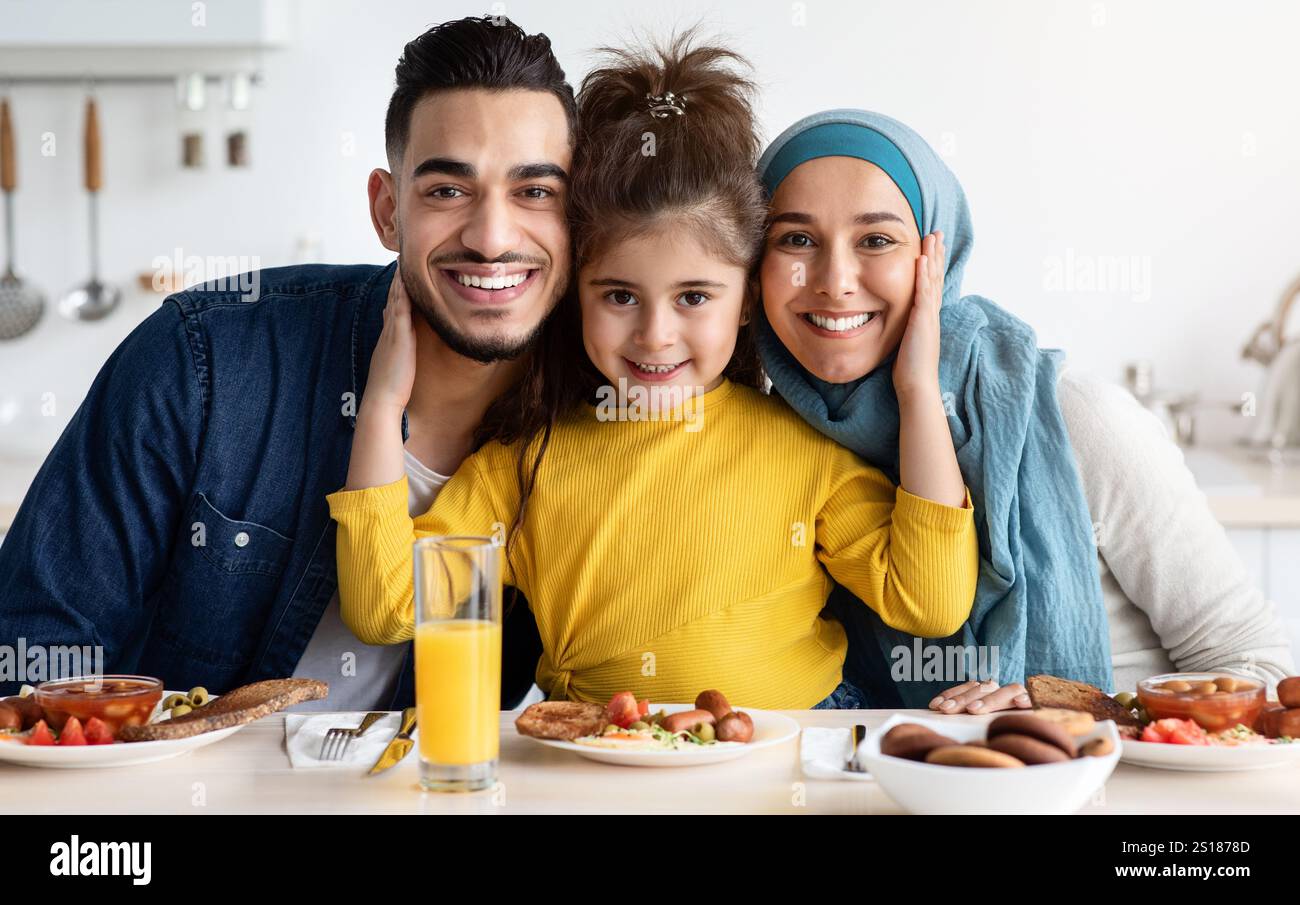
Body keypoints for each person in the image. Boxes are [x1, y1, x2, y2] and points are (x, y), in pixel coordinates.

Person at [327, 37, 979, 709]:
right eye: (618, 296)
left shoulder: (809, 456)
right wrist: (381, 405)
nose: (655, 334)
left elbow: (929, 601)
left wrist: (918, 388)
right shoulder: (519, 468)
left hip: (779, 764)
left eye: (694, 297)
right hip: (594, 764)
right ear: (573, 293)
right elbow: (384, 609)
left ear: (749, 297)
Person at [0, 16, 568, 711]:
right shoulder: (201, 360)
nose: (491, 237)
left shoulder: (596, 421)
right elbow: (30, 658)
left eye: (535, 192)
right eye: (447, 190)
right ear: (388, 210)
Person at [755, 109, 1295, 712]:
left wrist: (1086, 708)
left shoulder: (1078, 420)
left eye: (877, 240)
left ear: (936, 253)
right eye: (796, 239)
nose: (834, 280)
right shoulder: (767, 447)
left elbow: (1263, 669)